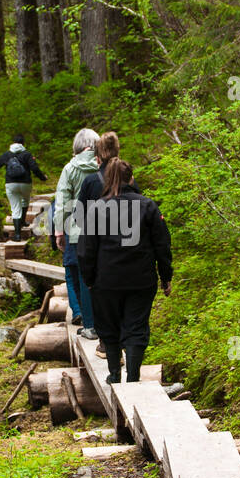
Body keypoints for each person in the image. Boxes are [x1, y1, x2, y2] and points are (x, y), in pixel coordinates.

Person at [79, 157, 172, 384]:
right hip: (141, 279)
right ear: (131, 178)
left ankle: (113, 373)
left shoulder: (96, 209)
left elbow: (85, 250)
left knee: (108, 326)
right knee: (137, 326)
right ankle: (133, 376)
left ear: (108, 180)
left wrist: (90, 279)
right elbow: (162, 245)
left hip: (106, 280)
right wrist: (165, 277)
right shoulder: (148, 206)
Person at [76, 131, 136, 358]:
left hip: (100, 249)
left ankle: (106, 343)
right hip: (129, 245)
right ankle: (124, 345)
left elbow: (79, 216)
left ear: (98, 154)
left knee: (103, 297)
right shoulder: (129, 179)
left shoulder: (91, 181)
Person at [52, 128, 99, 336]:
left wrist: (59, 231)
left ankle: (90, 325)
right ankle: (107, 325)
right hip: (106, 229)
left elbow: (61, 203)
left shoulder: (70, 168)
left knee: (83, 277)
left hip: (77, 230)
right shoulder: (106, 165)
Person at [0, 135, 46, 241]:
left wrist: (6, 162)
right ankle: (22, 222)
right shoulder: (27, 154)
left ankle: (17, 235)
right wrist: (43, 177)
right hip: (25, 183)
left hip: (11, 184)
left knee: (15, 208)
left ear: (13, 142)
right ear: (23, 143)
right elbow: (34, 168)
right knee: (25, 202)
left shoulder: (7, 154)